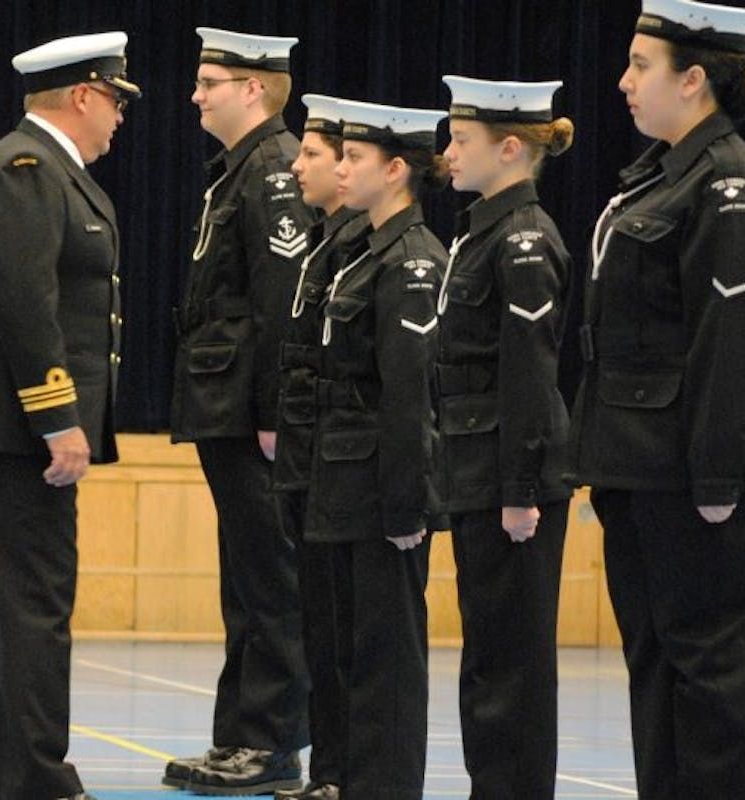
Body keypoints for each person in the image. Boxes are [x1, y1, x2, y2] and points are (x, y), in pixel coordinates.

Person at [566, 1, 745, 797]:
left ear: (693, 79)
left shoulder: (729, 182)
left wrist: (717, 478)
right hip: (640, 466)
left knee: (711, 679)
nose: (623, 82)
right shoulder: (665, 173)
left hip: (693, 474)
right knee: (657, 667)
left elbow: (729, 343)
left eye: (640, 65)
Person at [0, 32, 139, 800]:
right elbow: (27, 310)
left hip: (7, 428)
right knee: (37, 610)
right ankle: (43, 780)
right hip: (18, 432)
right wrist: (59, 419)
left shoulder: (50, 172)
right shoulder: (27, 171)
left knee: (1, 609)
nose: (119, 117)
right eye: (115, 99)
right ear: (83, 94)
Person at [167, 27, 313, 796]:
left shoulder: (275, 172)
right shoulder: (239, 172)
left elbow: (281, 305)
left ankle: (269, 742)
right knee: (246, 578)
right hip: (224, 403)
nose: (195, 95)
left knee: (270, 577)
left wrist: (274, 411)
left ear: (254, 88)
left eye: (209, 81)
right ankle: (241, 735)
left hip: (253, 411)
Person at [302, 98, 448, 799]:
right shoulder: (364, 251)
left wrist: (405, 505)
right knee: (353, 652)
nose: (343, 167)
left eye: (355, 158)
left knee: (388, 661)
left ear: (396, 171)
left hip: (380, 492)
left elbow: (409, 396)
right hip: (344, 483)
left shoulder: (413, 260)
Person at [435, 76, 575, 799]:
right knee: (488, 654)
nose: (449, 154)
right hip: (476, 471)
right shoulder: (482, 229)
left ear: (511, 147)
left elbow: (529, 376)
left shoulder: (522, 241)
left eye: (463, 141)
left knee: (513, 661)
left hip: (509, 480)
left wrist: (520, 491)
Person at [272, 94, 371, 800]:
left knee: (348, 637)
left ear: (349, 168)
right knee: (320, 630)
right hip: (307, 461)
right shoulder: (325, 241)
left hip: (342, 465)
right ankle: (329, 770)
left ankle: (348, 774)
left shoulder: (366, 247)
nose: (297, 165)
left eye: (312, 154)